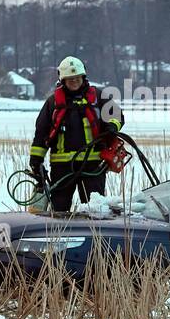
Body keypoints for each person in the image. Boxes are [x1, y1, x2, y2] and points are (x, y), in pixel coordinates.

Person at [28, 57, 124, 212]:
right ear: (63, 80)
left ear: (83, 77)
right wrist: (36, 160)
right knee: (59, 209)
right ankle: (60, 236)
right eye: (70, 79)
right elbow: (41, 133)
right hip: (62, 167)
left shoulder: (99, 97)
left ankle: (94, 236)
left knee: (95, 210)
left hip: (93, 165)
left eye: (77, 78)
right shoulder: (53, 103)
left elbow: (117, 116)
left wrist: (112, 126)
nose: (74, 82)